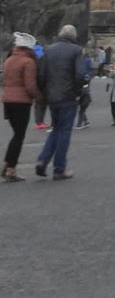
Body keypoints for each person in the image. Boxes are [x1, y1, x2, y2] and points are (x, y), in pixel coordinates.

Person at [34, 23, 87, 179]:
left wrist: (45, 93)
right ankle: (59, 169)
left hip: (52, 97)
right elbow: (80, 74)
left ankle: (42, 160)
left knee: (56, 129)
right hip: (68, 96)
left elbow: (41, 75)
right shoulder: (76, 50)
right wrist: (77, 92)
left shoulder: (49, 50)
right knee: (64, 132)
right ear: (74, 37)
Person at [3, 32, 39, 182]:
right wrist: (38, 97)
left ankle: (7, 164)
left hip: (7, 100)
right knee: (19, 135)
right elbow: (30, 85)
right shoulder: (28, 62)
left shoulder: (9, 60)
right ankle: (10, 168)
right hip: (21, 102)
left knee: (15, 134)